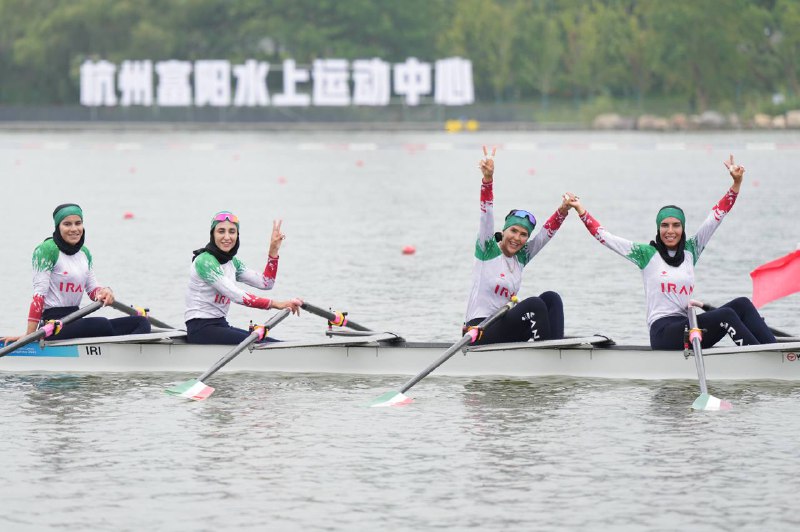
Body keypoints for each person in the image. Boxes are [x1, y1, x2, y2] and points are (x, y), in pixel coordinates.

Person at [566, 155, 776, 350]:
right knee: (727, 315)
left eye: (676, 225)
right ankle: (758, 359)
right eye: (665, 226)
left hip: (687, 324)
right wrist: (580, 209)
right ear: (658, 229)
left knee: (742, 304)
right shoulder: (646, 253)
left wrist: (736, 184)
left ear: (683, 228)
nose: (670, 231)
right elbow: (605, 237)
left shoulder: (691, 250)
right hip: (663, 332)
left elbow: (716, 216)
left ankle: (776, 352)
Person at [464, 146, 572, 345]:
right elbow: (485, 214)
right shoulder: (487, 250)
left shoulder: (520, 257)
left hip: (503, 325)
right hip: (479, 330)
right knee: (535, 305)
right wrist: (488, 180)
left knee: (551, 298)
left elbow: (544, 235)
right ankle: (545, 357)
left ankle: (555, 350)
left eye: (524, 235)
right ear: (504, 231)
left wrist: (563, 210)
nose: (517, 238)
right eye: (513, 231)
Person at [1, 203, 151, 345]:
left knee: (141, 322)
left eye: (78, 223)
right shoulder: (46, 250)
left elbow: (93, 291)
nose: (74, 229)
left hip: (75, 318)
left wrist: (105, 291)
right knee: (101, 324)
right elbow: (39, 296)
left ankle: (124, 357)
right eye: (67, 224)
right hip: (53, 325)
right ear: (58, 227)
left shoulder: (84, 253)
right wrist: (29, 334)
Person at [185, 211, 302, 344]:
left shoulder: (232, 262)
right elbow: (236, 295)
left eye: (232, 231)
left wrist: (273, 251)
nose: (227, 237)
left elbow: (266, 283)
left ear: (237, 235)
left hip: (220, 325)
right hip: (200, 329)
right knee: (263, 343)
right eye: (221, 231)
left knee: (275, 343)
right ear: (213, 234)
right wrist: (277, 304)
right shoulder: (204, 261)